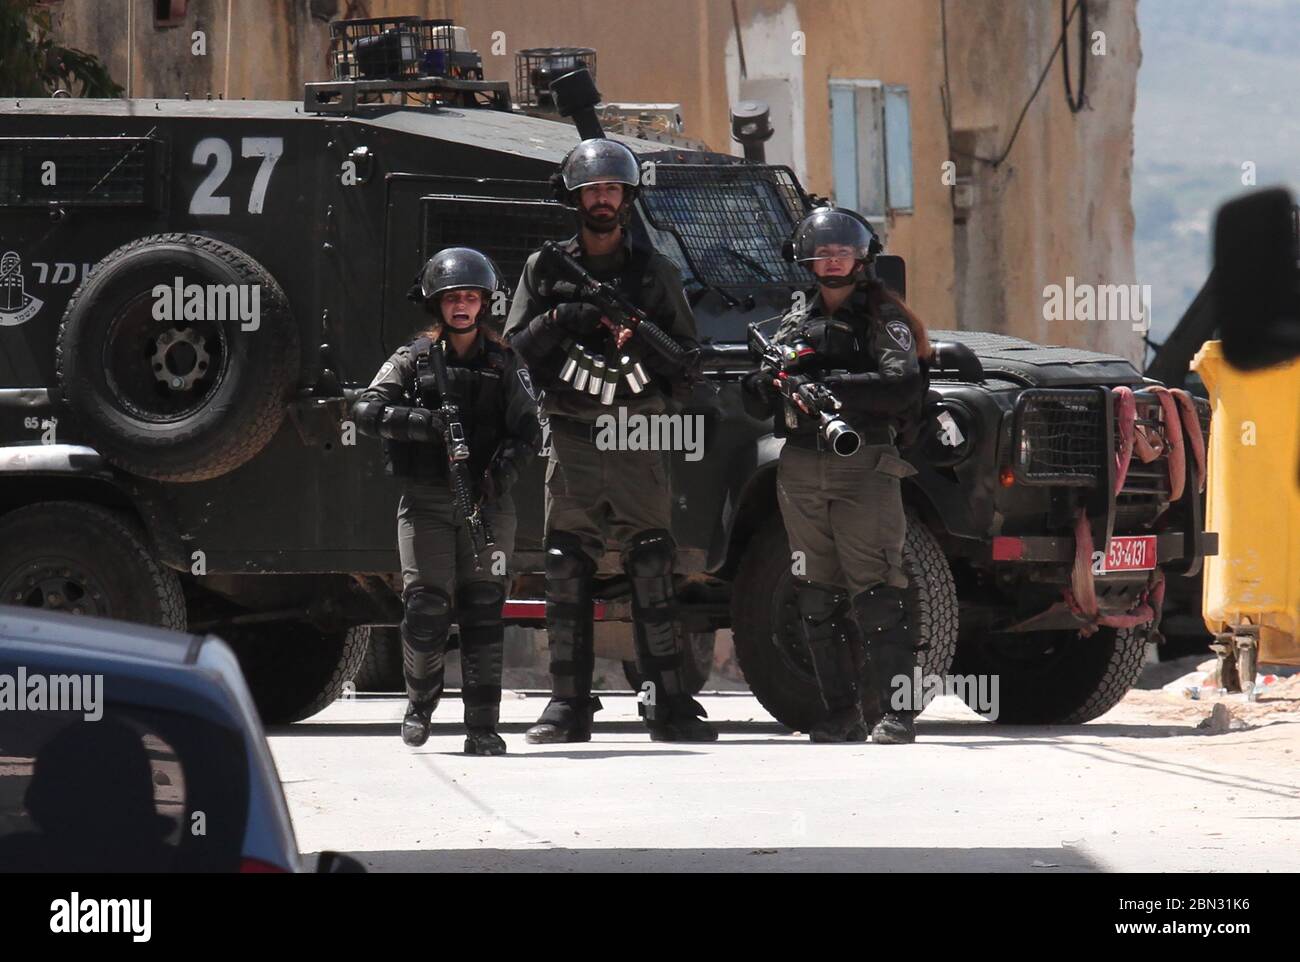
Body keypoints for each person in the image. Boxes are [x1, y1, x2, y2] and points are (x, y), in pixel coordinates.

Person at [503, 138, 715, 744]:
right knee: (567, 564)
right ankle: (568, 704)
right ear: (576, 199)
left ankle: (669, 702)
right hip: (570, 430)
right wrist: (560, 320)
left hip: (635, 428)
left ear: (627, 199)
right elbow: (513, 353)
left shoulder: (654, 274)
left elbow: (686, 363)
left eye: (613, 190)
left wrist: (643, 361)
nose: (603, 199)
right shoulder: (545, 270)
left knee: (651, 560)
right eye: (593, 190)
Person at [743, 207, 930, 744]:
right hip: (800, 462)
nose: (832, 261)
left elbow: (900, 389)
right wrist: (765, 383)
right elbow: (757, 397)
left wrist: (830, 384)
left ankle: (897, 714)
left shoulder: (884, 320)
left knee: (877, 590)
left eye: (842, 252)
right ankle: (839, 713)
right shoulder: (790, 321)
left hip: (863, 463)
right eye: (823, 253)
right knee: (814, 593)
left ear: (861, 258)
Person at [353, 247, 541, 754]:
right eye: (453, 298)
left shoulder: (504, 362)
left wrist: (498, 474)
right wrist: (423, 424)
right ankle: (420, 705)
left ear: (484, 304)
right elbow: (366, 408)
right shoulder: (413, 359)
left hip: (486, 503)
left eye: (471, 298)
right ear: (438, 304)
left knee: (483, 608)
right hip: (428, 499)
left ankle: (482, 725)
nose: (462, 307)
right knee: (427, 609)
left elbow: (530, 432)